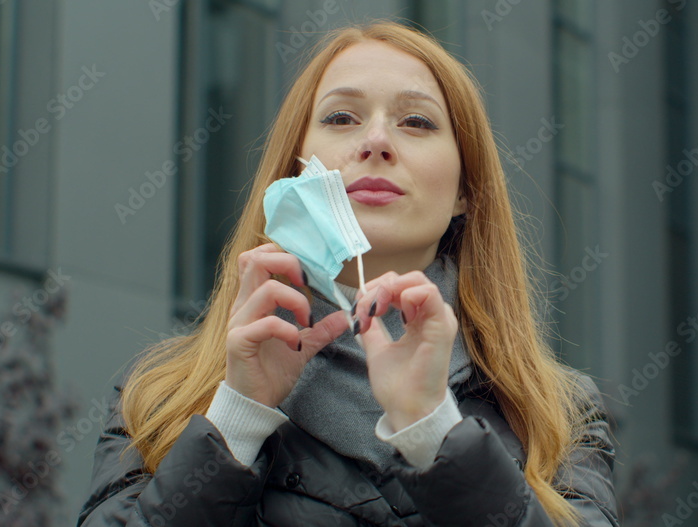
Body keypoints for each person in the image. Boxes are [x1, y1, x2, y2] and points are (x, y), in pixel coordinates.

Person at [78, 21, 618, 527]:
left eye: (417, 122)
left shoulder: (557, 416)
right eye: (341, 118)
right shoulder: (156, 398)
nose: (376, 141)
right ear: (294, 172)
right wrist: (237, 418)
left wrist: (433, 429)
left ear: (464, 191)